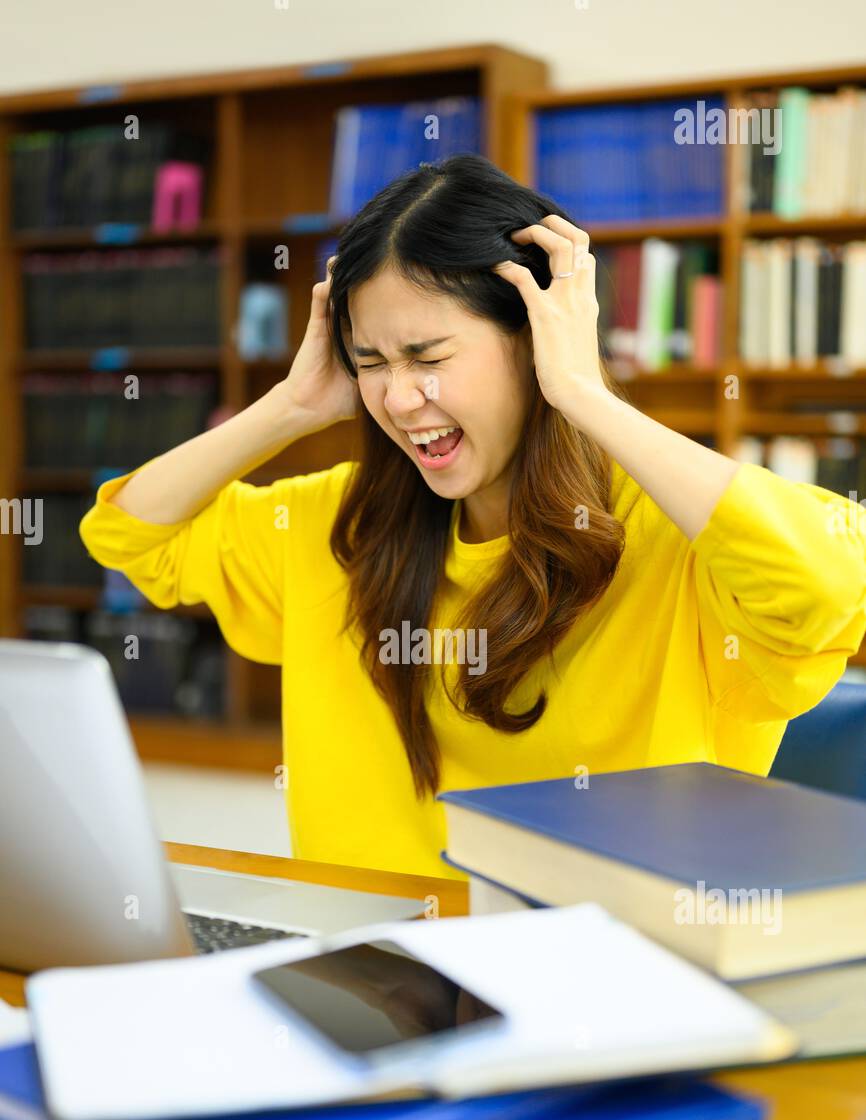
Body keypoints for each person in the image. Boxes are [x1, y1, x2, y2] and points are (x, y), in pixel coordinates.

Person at [79, 154, 866, 880]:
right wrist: (289, 406)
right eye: (371, 361)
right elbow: (129, 533)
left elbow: (829, 587)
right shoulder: (338, 523)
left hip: (615, 990)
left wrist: (585, 393)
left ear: (534, 343)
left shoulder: (674, 541)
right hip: (377, 976)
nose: (396, 397)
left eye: (428, 356)